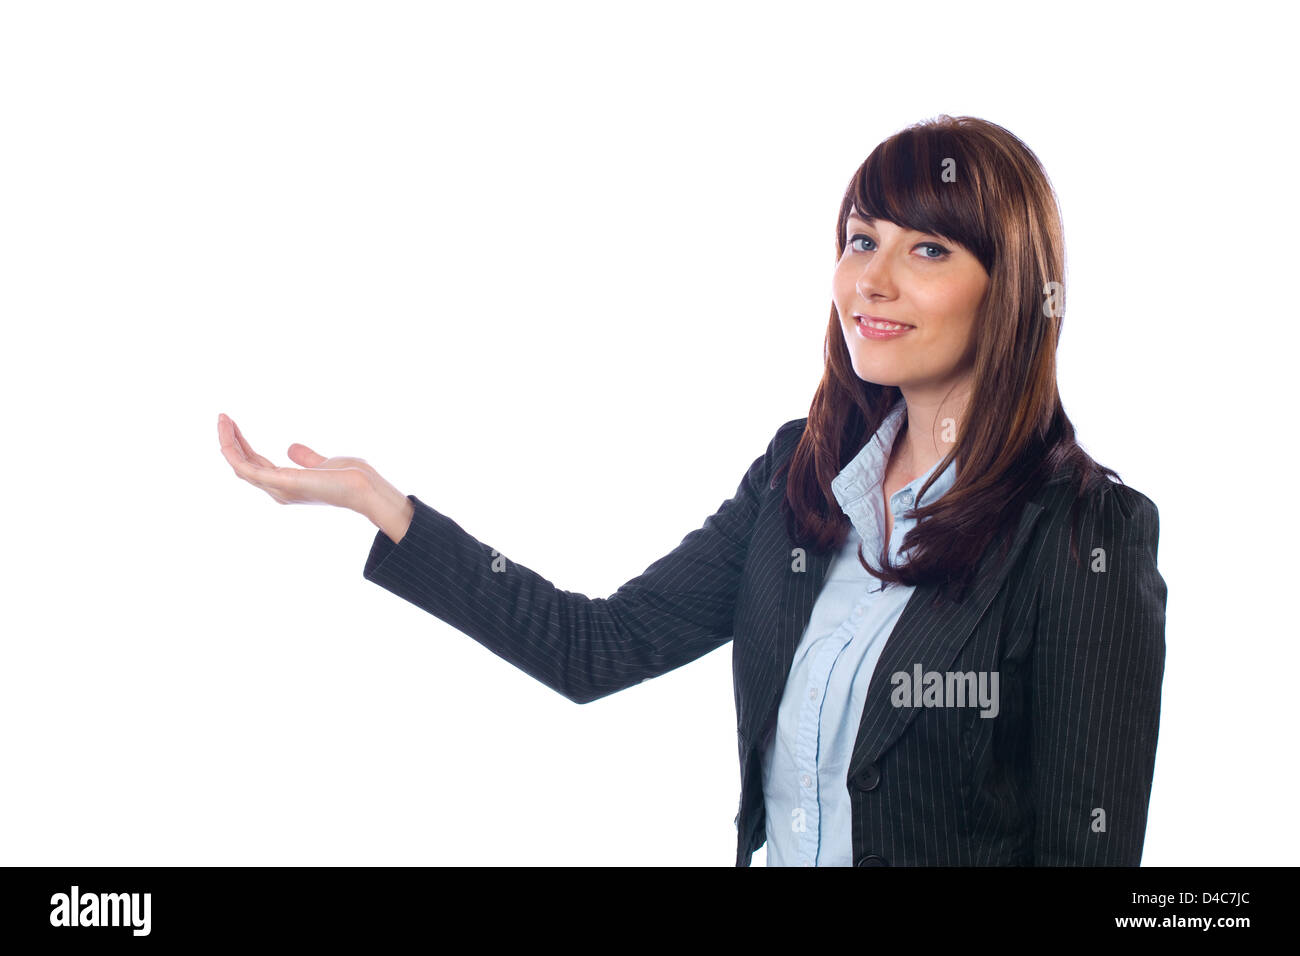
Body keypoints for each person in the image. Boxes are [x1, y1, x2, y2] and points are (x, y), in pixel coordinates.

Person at [218, 114, 1167, 866]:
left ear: (1009, 289)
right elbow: (598, 645)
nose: (869, 281)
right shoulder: (799, 478)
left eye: (927, 251)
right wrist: (388, 508)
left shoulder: (1085, 534)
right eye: (860, 238)